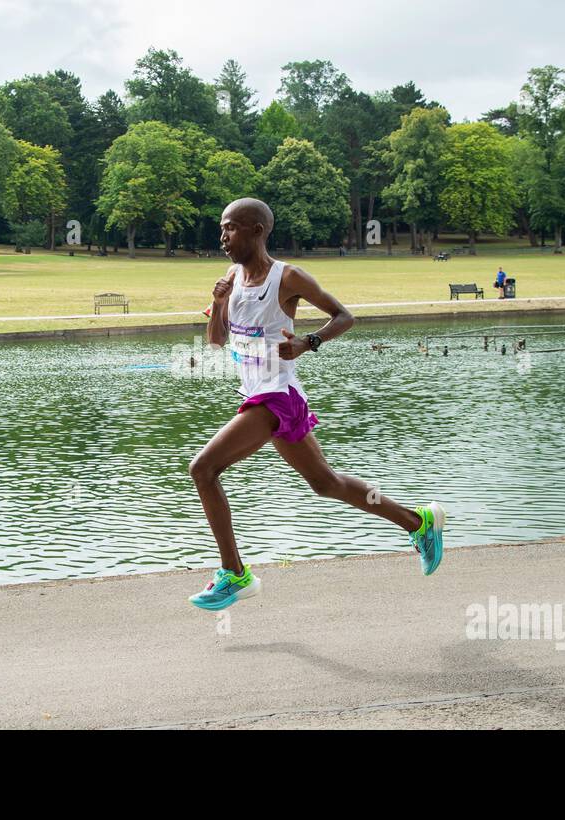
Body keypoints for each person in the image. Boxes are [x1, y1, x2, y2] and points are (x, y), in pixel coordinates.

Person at [188, 198, 445, 611]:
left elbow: (344, 316)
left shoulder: (287, 277)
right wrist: (218, 303)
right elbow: (216, 340)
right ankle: (419, 523)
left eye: (231, 228)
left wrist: (309, 342)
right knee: (326, 483)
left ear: (257, 230)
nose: (223, 237)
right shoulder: (232, 277)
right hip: (260, 395)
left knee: (203, 468)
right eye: (222, 228)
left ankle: (235, 574)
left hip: (276, 396)